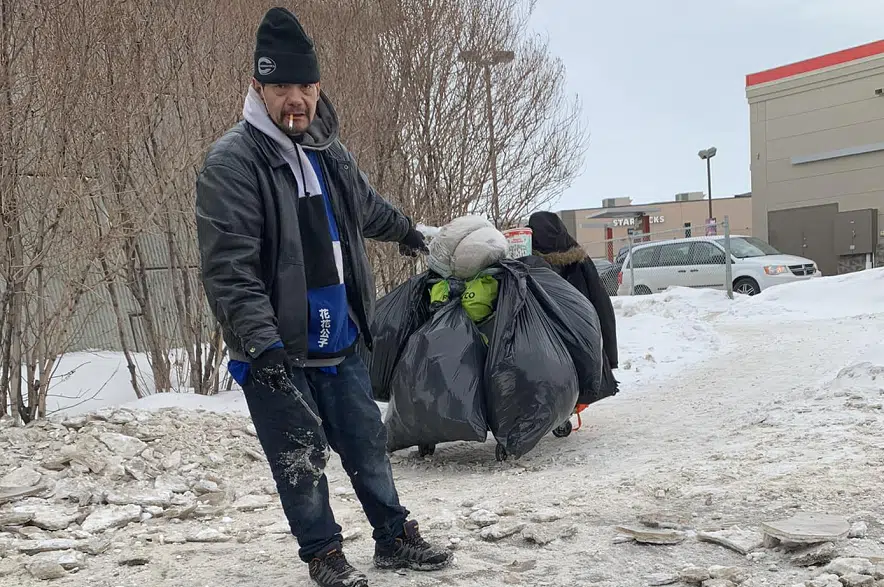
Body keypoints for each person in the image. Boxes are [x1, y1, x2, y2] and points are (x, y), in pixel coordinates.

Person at [195, 8, 451, 587]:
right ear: (257, 88)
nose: (295, 99)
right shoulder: (232, 163)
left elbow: (368, 208)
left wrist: (415, 235)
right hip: (276, 351)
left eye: (305, 86)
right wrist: (262, 347)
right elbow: (229, 269)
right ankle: (325, 556)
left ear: (318, 88)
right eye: (281, 85)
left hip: (340, 336)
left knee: (367, 444)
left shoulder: (328, 152)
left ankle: (393, 537)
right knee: (300, 462)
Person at [525, 212, 620, 400]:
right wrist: (609, 353)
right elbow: (600, 300)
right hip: (581, 327)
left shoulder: (529, 262)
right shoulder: (579, 258)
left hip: (544, 332)